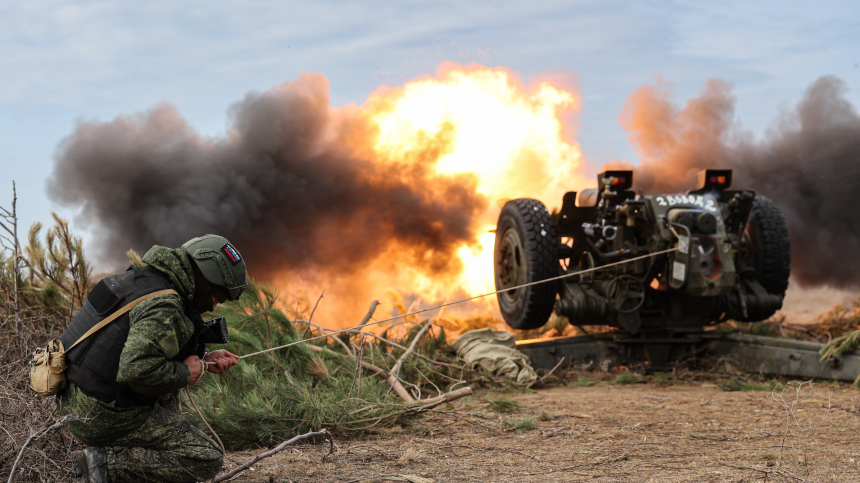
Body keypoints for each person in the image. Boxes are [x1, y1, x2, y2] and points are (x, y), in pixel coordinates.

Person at [57, 234, 247, 483]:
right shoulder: (163, 306)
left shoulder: (136, 280)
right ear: (205, 280)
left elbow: (125, 347)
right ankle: (100, 467)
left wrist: (205, 359)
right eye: (216, 298)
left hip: (71, 401)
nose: (213, 308)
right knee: (206, 457)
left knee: (167, 389)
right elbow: (135, 371)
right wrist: (184, 373)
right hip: (99, 417)